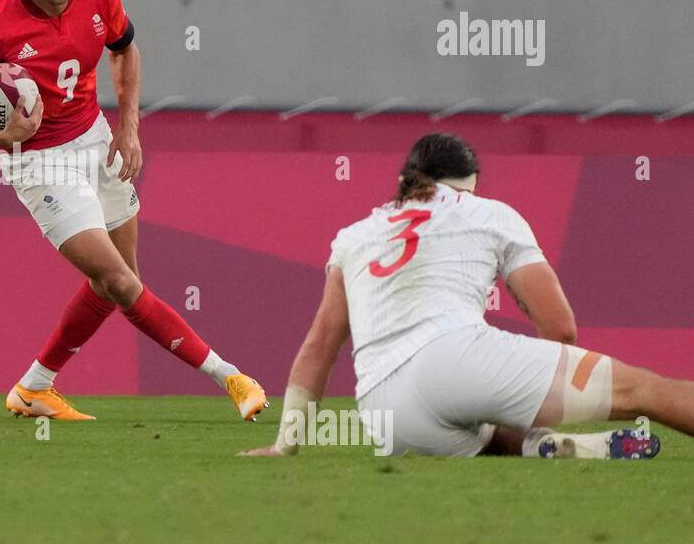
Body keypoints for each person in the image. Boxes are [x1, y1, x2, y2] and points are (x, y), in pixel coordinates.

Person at [0, 0, 267, 422]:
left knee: (119, 281)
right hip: (41, 164)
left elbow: (125, 49)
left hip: (97, 141)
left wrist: (129, 126)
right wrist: (1, 136)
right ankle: (231, 377)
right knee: (121, 282)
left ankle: (34, 387)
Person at [243, 132, 682, 459]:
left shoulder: (355, 235)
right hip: (454, 357)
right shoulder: (489, 213)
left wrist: (286, 445)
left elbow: (321, 345)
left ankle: (580, 449)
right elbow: (559, 327)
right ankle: (555, 427)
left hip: (385, 414)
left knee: (488, 431)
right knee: (645, 390)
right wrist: (542, 388)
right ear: (466, 185)